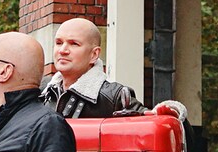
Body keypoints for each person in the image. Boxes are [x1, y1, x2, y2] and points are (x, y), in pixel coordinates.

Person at [40, 17, 185, 121]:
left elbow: (153, 120)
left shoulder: (115, 96)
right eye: (59, 43)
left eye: (74, 44)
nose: (63, 50)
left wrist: (172, 114)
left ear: (94, 54)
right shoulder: (39, 92)